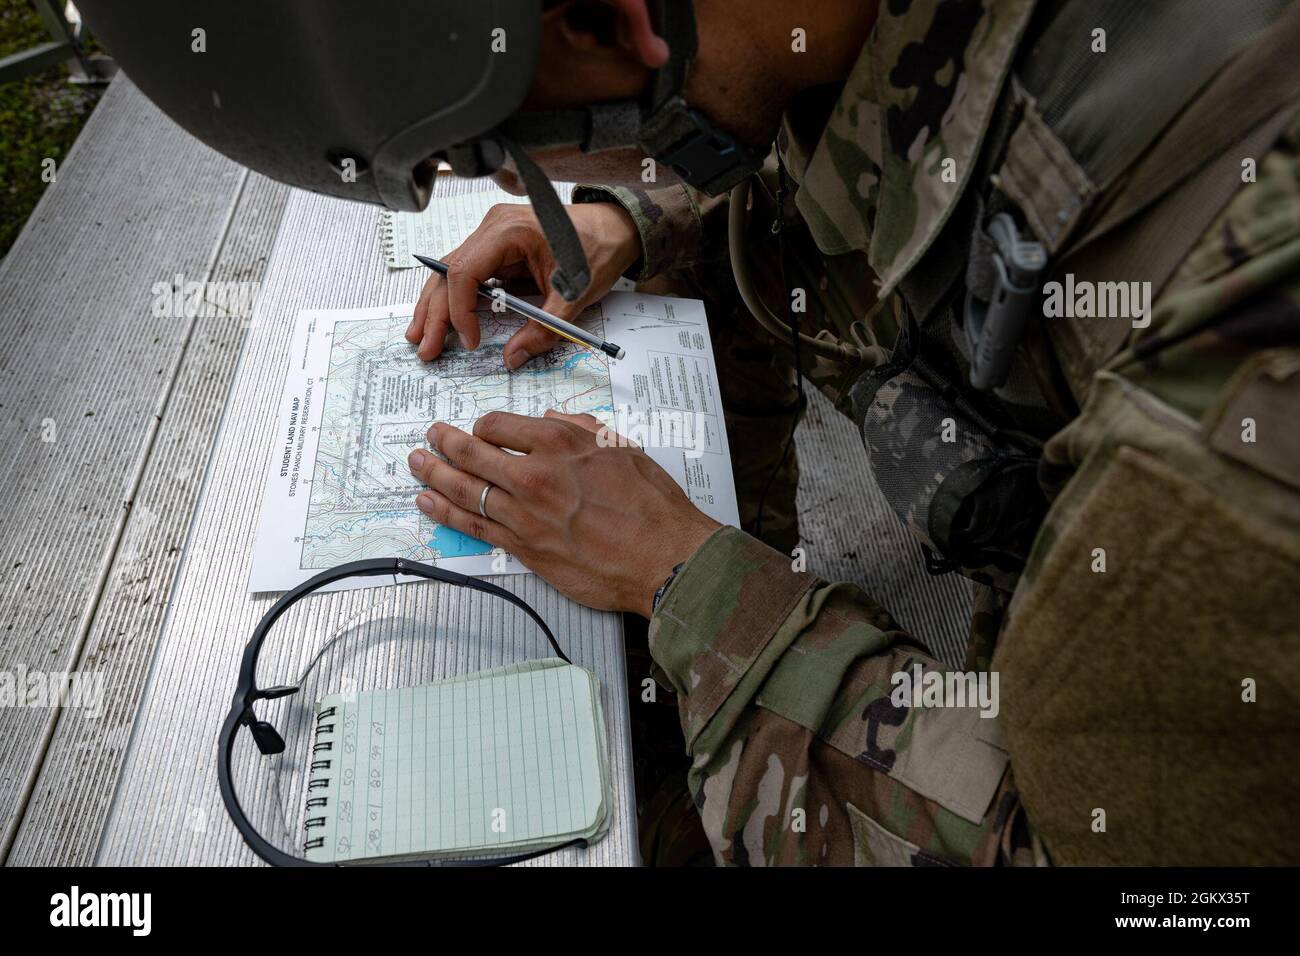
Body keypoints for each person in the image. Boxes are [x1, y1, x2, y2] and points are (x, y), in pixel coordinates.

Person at [85, 0, 1300, 865]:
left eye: (506, 155)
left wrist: (691, 579)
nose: (536, 184)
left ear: (613, 25)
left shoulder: (1227, 423)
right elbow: (834, 110)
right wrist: (633, 207)